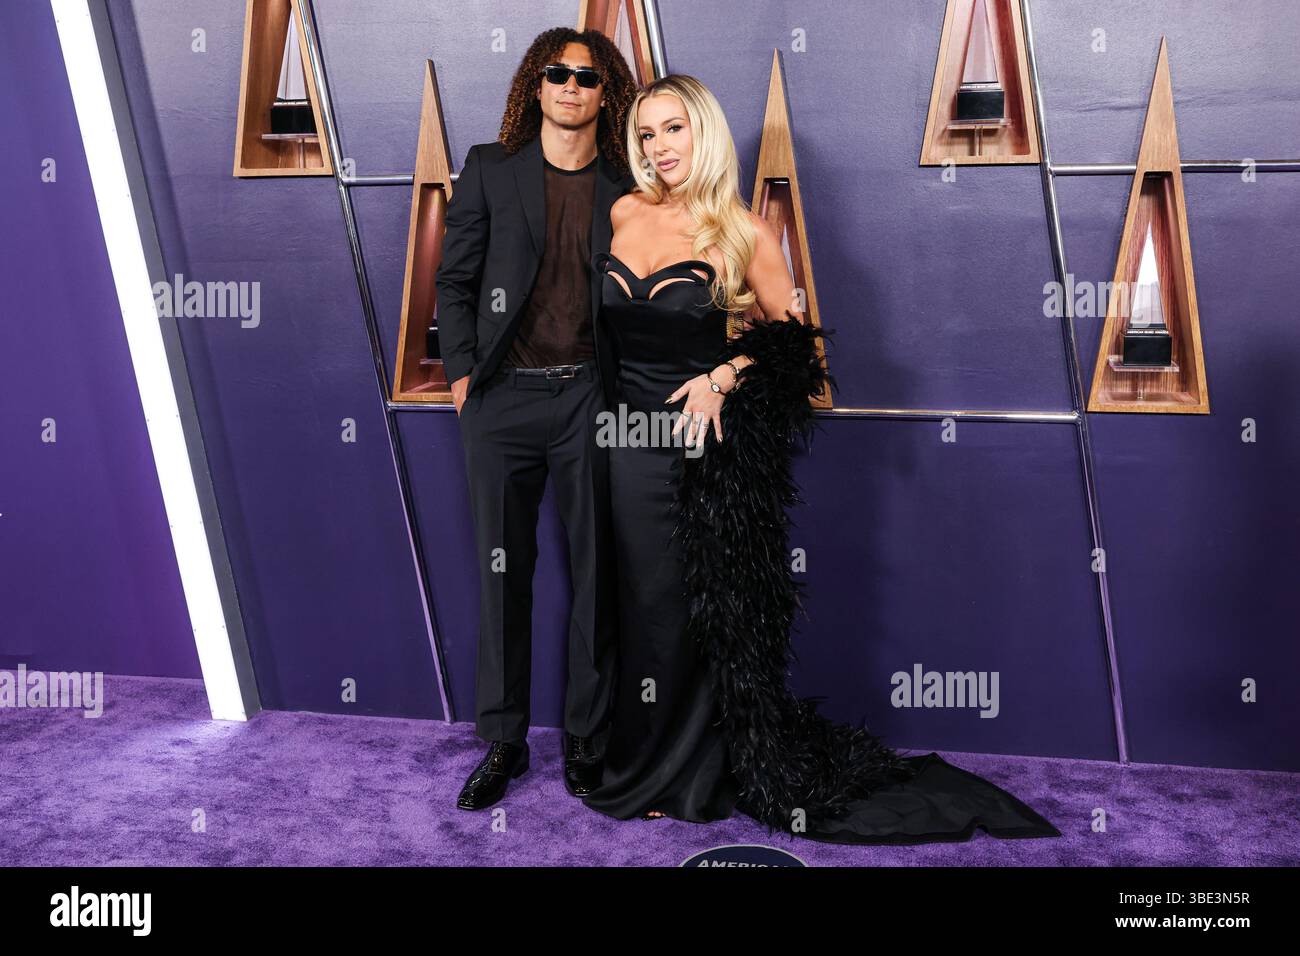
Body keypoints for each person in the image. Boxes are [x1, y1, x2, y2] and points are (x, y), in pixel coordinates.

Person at [579, 74, 1061, 844]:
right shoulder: (622, 211)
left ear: (701, 133)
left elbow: (793, 346)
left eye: (672, 130)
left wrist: (722, 375)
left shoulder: (741, 232)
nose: (658, 148)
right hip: (623, 447)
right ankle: (640, 757)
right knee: (637, 607)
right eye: (645, 133)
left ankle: (689, 771)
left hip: (699, 451)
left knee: (693, 612)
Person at [434, 28, 638, 810]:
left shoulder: (626, 185)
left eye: (586, 78)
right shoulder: (491, 169)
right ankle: (505, 741)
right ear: (536, 83)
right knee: (501, 572)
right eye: (556, 74)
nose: (570, 87)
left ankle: (586, 738)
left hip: (590, 397)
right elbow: (453, 283)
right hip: (502, 401)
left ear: (602, 93)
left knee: (595, 571)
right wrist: (461, 379)